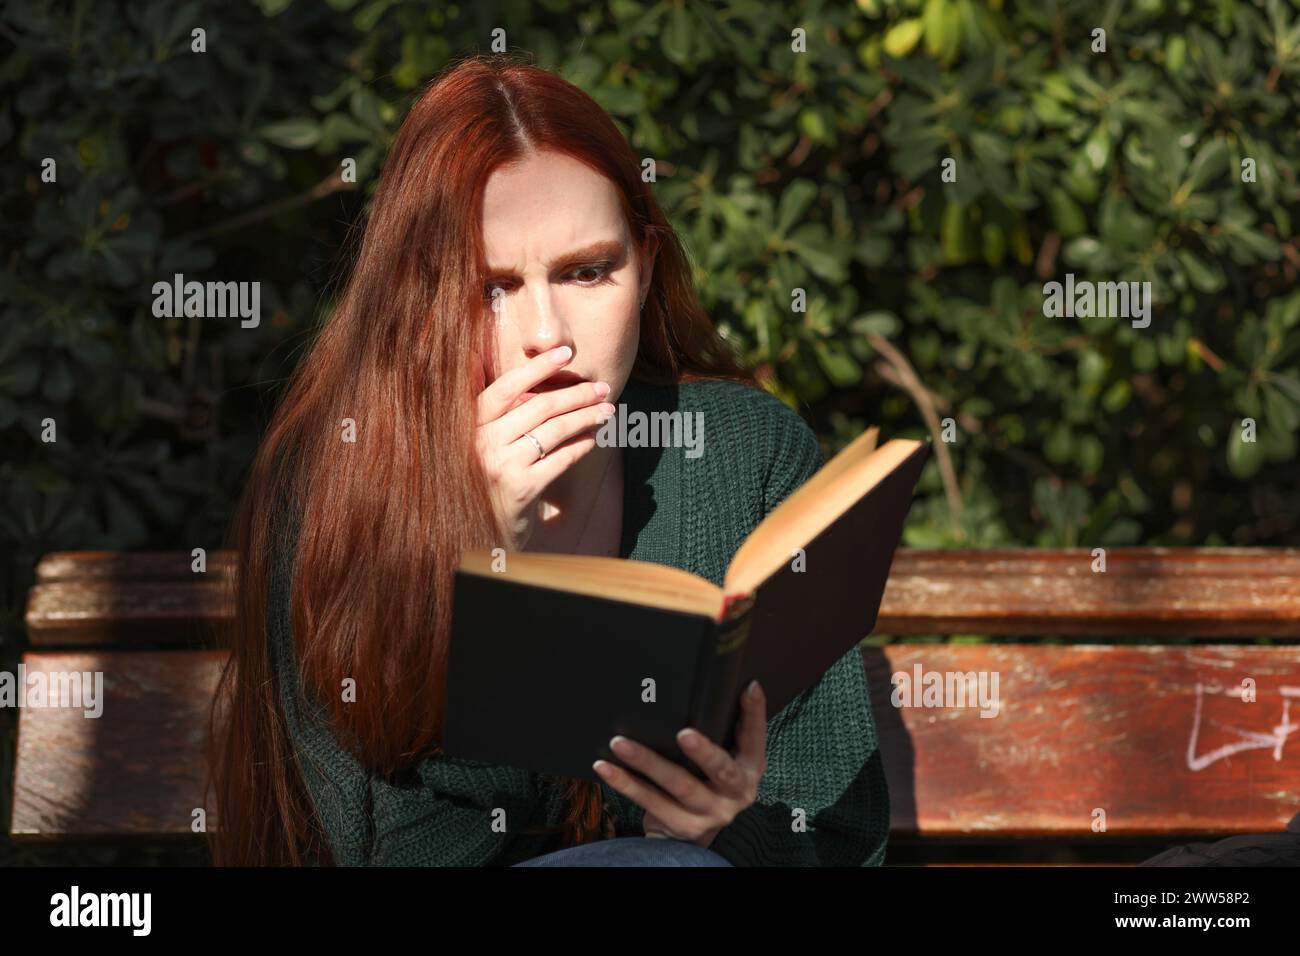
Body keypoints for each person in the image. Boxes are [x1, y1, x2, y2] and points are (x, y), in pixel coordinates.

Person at [206, 54, 889, 867]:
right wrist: (477, 579)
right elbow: (375, 851)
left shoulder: (747, 453)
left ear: (645, 264)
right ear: (420, 299)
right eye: (489, 287)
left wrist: (725, 833)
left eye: (588, 271)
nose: (547, 335)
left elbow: (841, 829)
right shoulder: (342, 481)